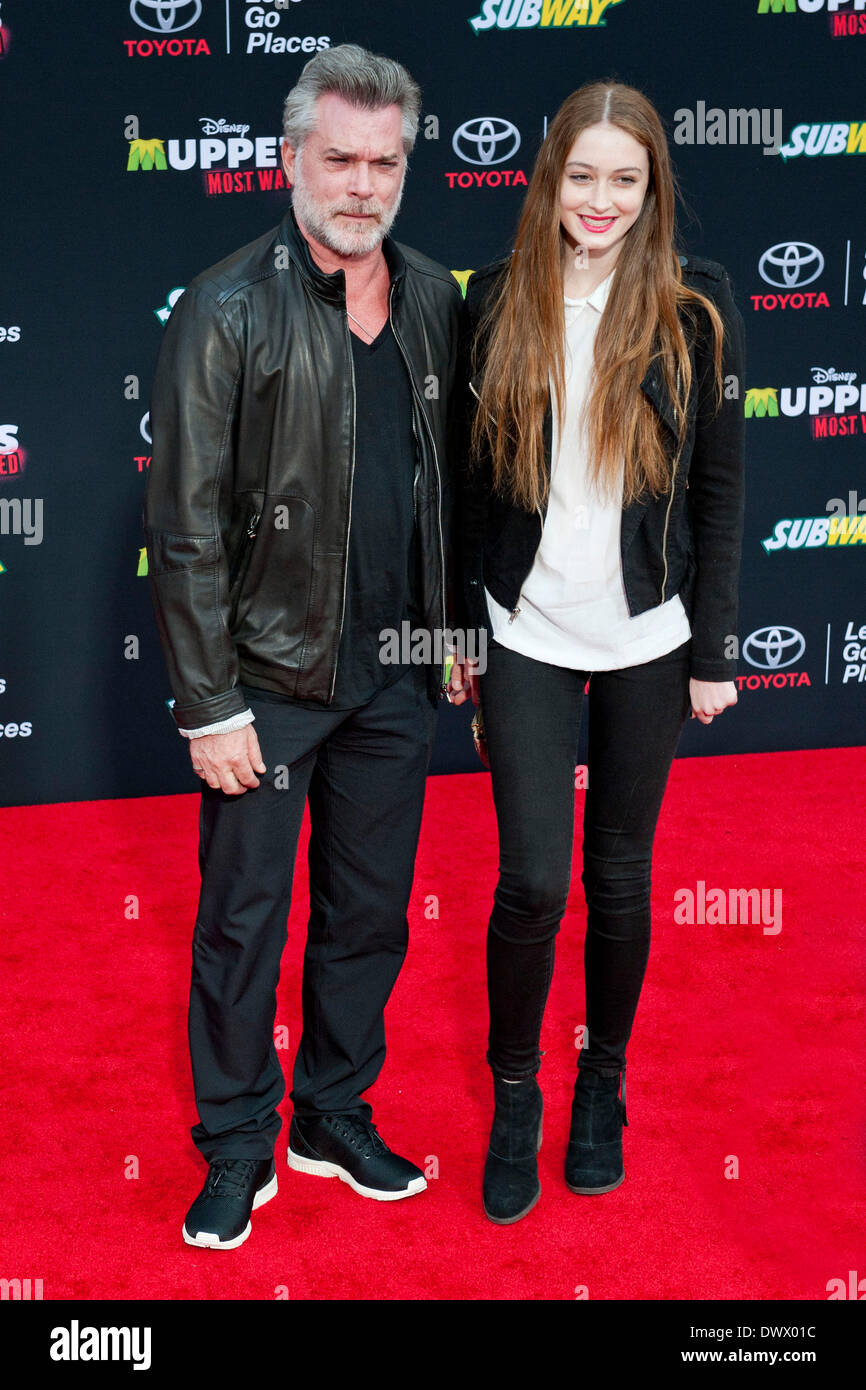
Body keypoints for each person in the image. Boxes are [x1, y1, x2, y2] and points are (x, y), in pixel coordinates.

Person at [144, 44, 461, 1249]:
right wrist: (209, 703)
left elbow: (447, 495)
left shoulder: (436, 297)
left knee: (368, 915)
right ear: (288, 161)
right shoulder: (225, 309)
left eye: (384, 161)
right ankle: (236, 1143)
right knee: (242, 920)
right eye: (339, 158)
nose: (362, 184)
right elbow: (181, 527)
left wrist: (449, 636)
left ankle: (331, 1114)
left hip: (393, 677)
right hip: (267, 685)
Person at [448, 80, 745, 1224]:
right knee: (530, 880)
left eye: (626, 179)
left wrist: (711, 651)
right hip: (523, 624)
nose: (603, 199)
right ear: (548, 180)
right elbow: (472, 490)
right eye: (584, 176)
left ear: (651, 187)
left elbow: (718, 495)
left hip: (650, 638)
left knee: (616, 875)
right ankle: (514, 1091)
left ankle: (599, 1084)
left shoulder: (697, 305)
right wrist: (459, 639)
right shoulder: (494, 299)